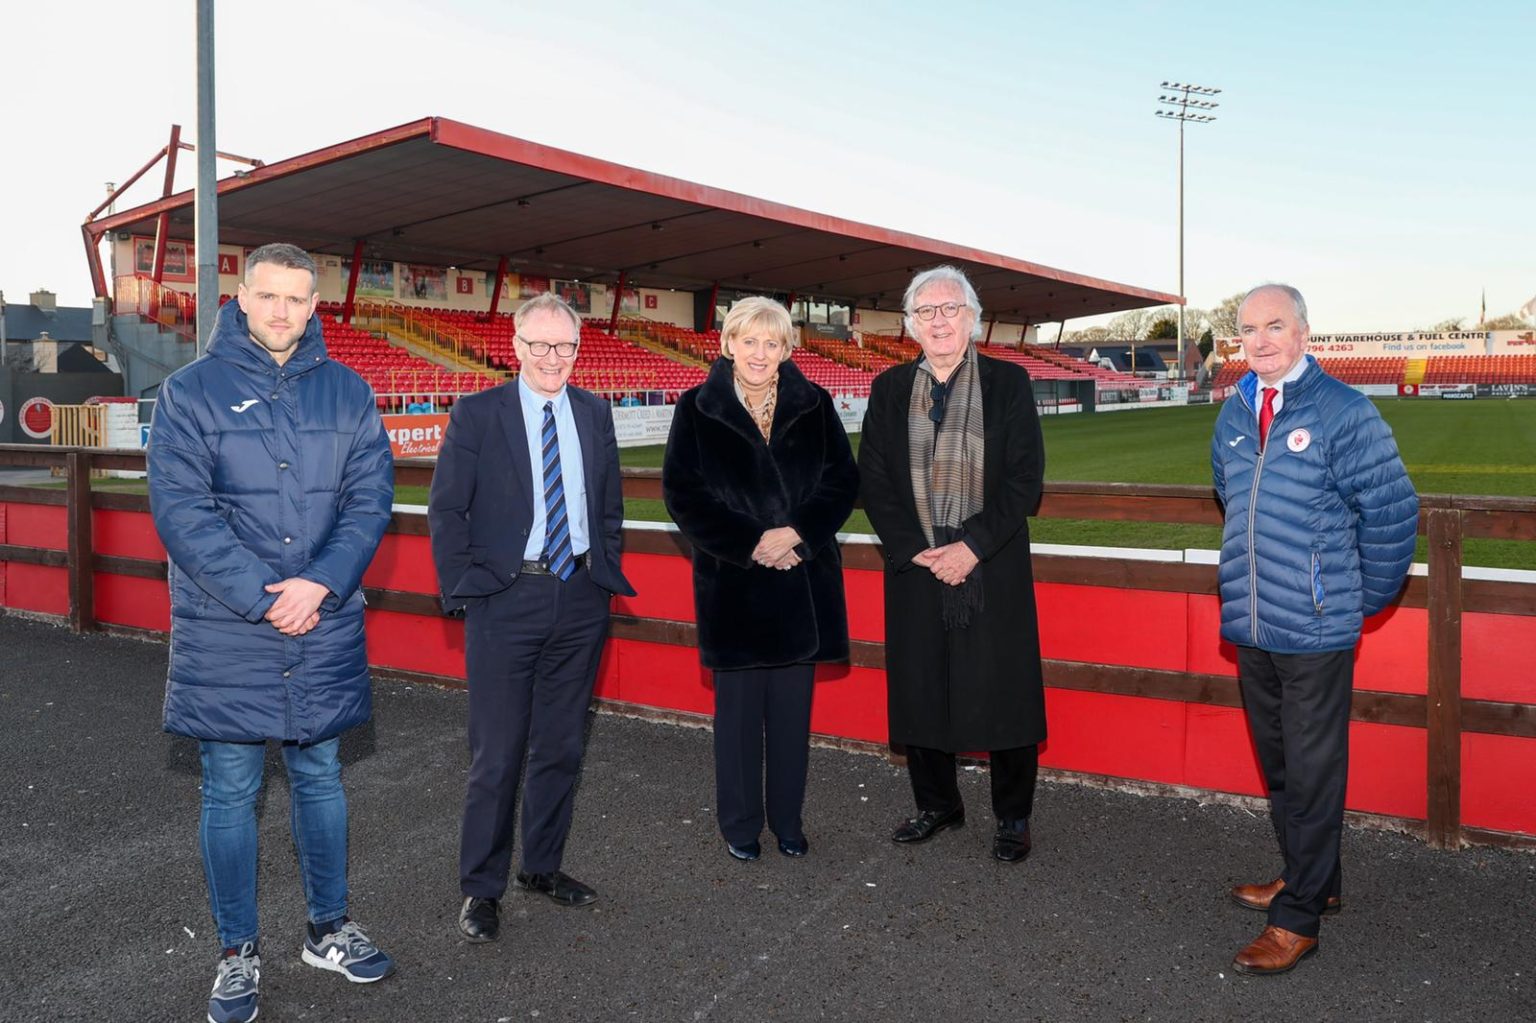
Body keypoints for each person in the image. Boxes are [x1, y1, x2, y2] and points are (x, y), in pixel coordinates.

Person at [147, 243, 397, 1023]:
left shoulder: (349, 391)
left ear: (314, 304)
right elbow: (182, 511)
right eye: (268, 296)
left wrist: (320, 582)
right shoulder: (189, 391)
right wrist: (266, 597)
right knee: (230, 787)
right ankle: (236, 951)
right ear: (241, 298)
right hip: (228, 625)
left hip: (321, 614)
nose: (282, 311)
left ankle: (328, 928)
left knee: (321, 775)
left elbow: (369, 499)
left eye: (296, 298)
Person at [1213, 283, 1418, 975]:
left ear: (1303, 333)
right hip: (1252, 623)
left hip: (1315, 630)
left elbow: (1392, 513)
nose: (1261, 339)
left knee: (1311, 773)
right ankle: (1313, 879)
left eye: (1275, 325)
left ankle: (1297, 918)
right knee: (1279, 766)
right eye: (1249, 329)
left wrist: (1353, 600)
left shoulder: (1344, 411)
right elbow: (1230, 494)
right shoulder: (1236, 410)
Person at [428, 292, 636, 944]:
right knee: (497, 754)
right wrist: (467, 590)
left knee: (562, 745)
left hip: (580, 597)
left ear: (578, 349)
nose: (553, 357)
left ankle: (541, 866)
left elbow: (607, 508)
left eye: (565, 345)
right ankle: (481, 888)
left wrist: (601, 574)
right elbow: (446, 510)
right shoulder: (477, 413)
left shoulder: (594, 412)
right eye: (540, 344)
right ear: (515, 346)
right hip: (505, 600)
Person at [858, 265, 1047, 863]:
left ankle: (1012, 816)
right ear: (911, 324)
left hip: (989, 560)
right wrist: (913, 547)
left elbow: (1024, 480)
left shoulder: (1008, 382)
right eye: (926, 311)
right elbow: (873, 478)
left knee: (1005, 689)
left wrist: (971, 547)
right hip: (917, 561)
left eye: (950, 309)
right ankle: (937, 803)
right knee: (921, 686)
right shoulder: (889, 388)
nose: (939, 321)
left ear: (972, 318)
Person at [662, 296, 859, 861]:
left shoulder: (815, 403)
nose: (759, 352)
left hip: (803, 581)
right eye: (749, 340)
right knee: (739, 722)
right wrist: (754, 542)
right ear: (729, 344)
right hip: (734, 586)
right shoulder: (696, 408)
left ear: (786, 350)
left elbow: (842, 482)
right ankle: (741, 825)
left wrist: (796, 533)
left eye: (772, 343)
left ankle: (788, 822)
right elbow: (684, 495)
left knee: (793, 720)